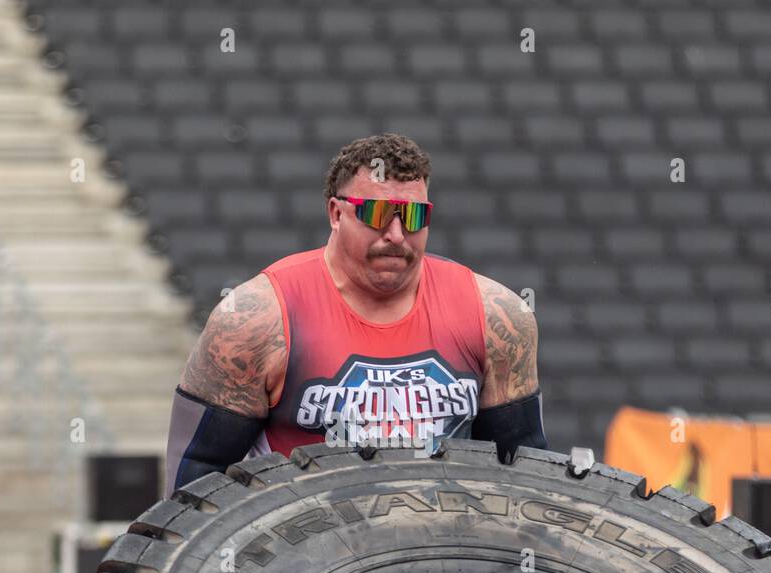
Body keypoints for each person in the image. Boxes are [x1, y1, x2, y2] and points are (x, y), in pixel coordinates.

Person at [164, 133, 545, 498]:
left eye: (414, 216)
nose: (396, 234)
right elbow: (195, 479)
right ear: (335, 213)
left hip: (443, 549)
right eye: (378, 214)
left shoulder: (495, 315)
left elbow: (526, 474)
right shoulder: (257, 319)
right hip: (307, 555)